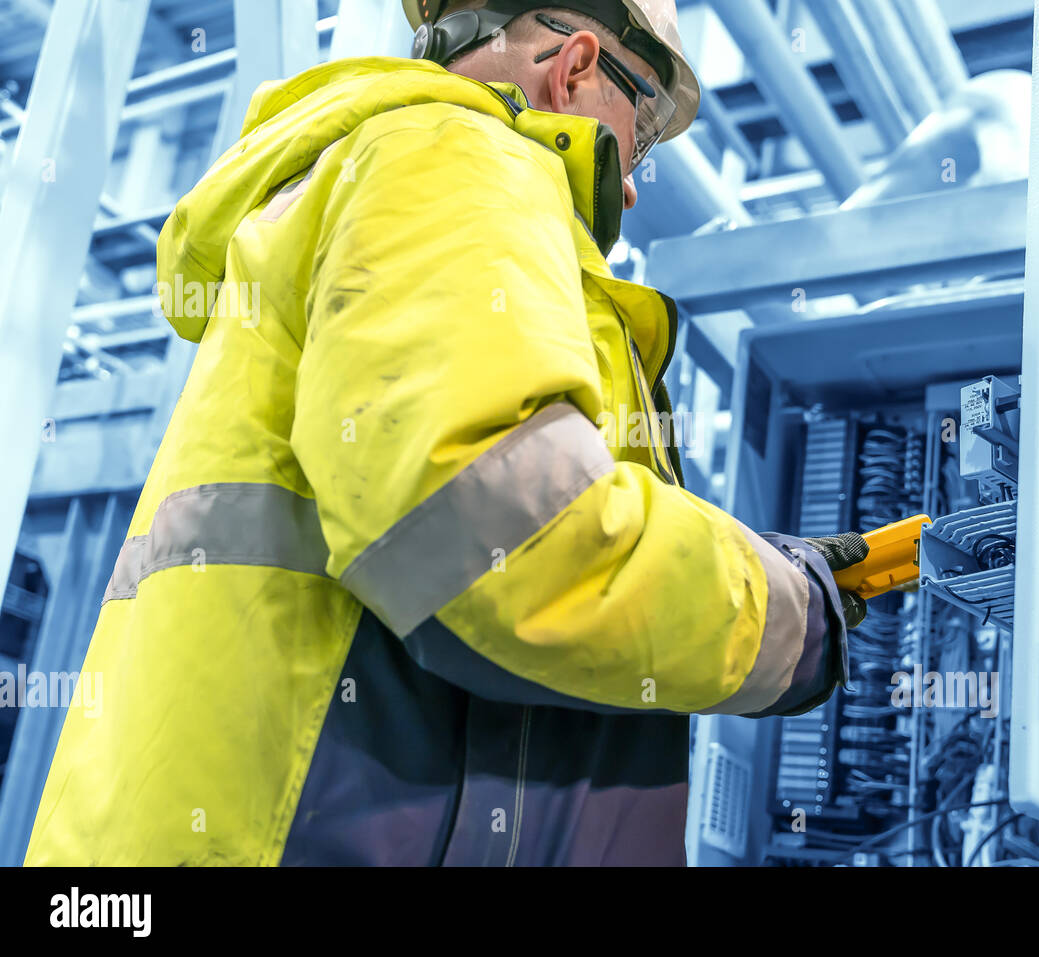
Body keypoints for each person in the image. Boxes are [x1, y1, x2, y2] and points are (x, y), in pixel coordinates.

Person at [24, 0, 870, 866]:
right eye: (643, 127)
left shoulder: (372, 174)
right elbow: (511, 539)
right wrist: (791, 613)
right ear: (575, 68)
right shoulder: (455, 158)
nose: (632, 182)